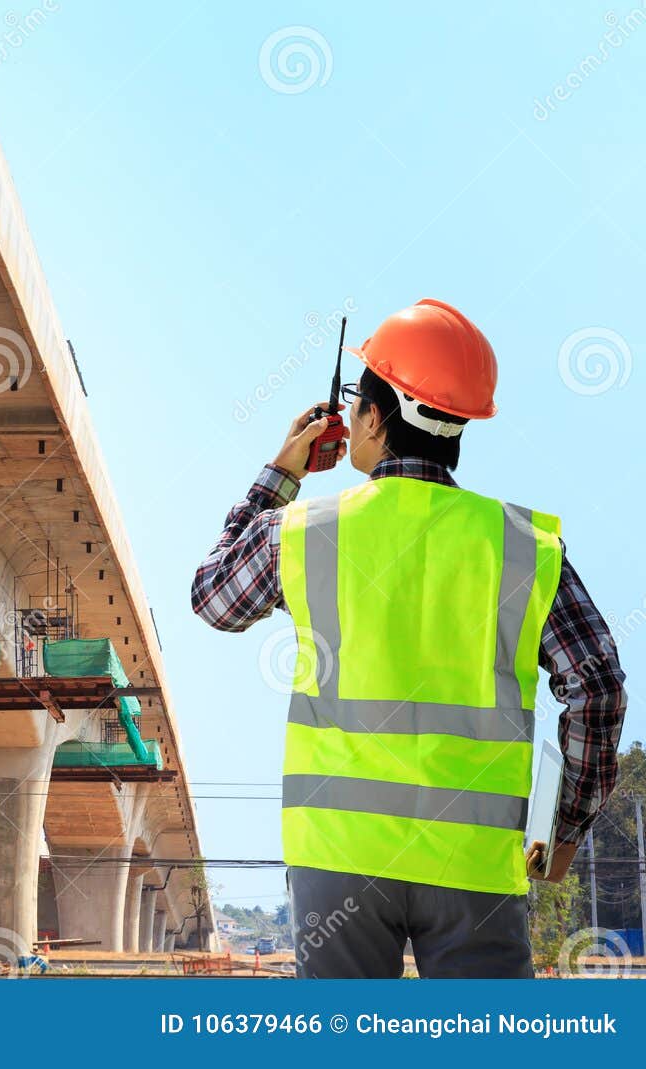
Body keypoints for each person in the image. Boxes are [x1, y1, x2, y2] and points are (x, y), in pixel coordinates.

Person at [191, 299, 626, 978]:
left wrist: (283, 470)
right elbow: (597, 686)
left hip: (339, 860)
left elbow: (214, 598)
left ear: (371, 415)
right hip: (475, 868)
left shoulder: (305, 530)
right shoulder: (521, 545)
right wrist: (561, 830)